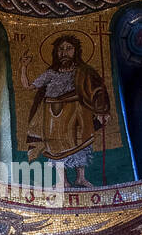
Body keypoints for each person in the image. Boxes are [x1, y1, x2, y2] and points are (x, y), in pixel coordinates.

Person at [24, 35, 110, 186]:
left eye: (69, 48)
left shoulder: (84, 71)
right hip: (52, 111)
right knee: (54, 144)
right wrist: (23, 67)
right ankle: (63, 181)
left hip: (78, 109)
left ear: (76, 51)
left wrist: (103, 110)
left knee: (81, 140)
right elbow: (29, 87)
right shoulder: (50, 73)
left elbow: (98, 90)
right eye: (61, 49)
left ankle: (80, 177)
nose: (64, 52)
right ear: (56, 53)